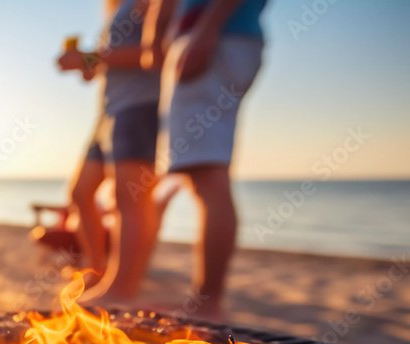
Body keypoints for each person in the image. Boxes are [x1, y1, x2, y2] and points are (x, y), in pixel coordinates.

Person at [142, 0, 267, 318]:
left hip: (215, 36)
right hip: (215, 36)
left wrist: (205, 31)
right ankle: (206, 301)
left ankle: (208, 303)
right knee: (199, 176)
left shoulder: (213, 31)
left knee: (208, 177)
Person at [58, 0, 162, 304]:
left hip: (139, 105)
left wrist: (90, 56)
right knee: (81, 192)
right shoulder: (116, 9)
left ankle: (122, 288)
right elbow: (100, 67)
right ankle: (96, 271)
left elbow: (155, 53)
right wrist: (85, 63)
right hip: (107, 113)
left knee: (129, 196)